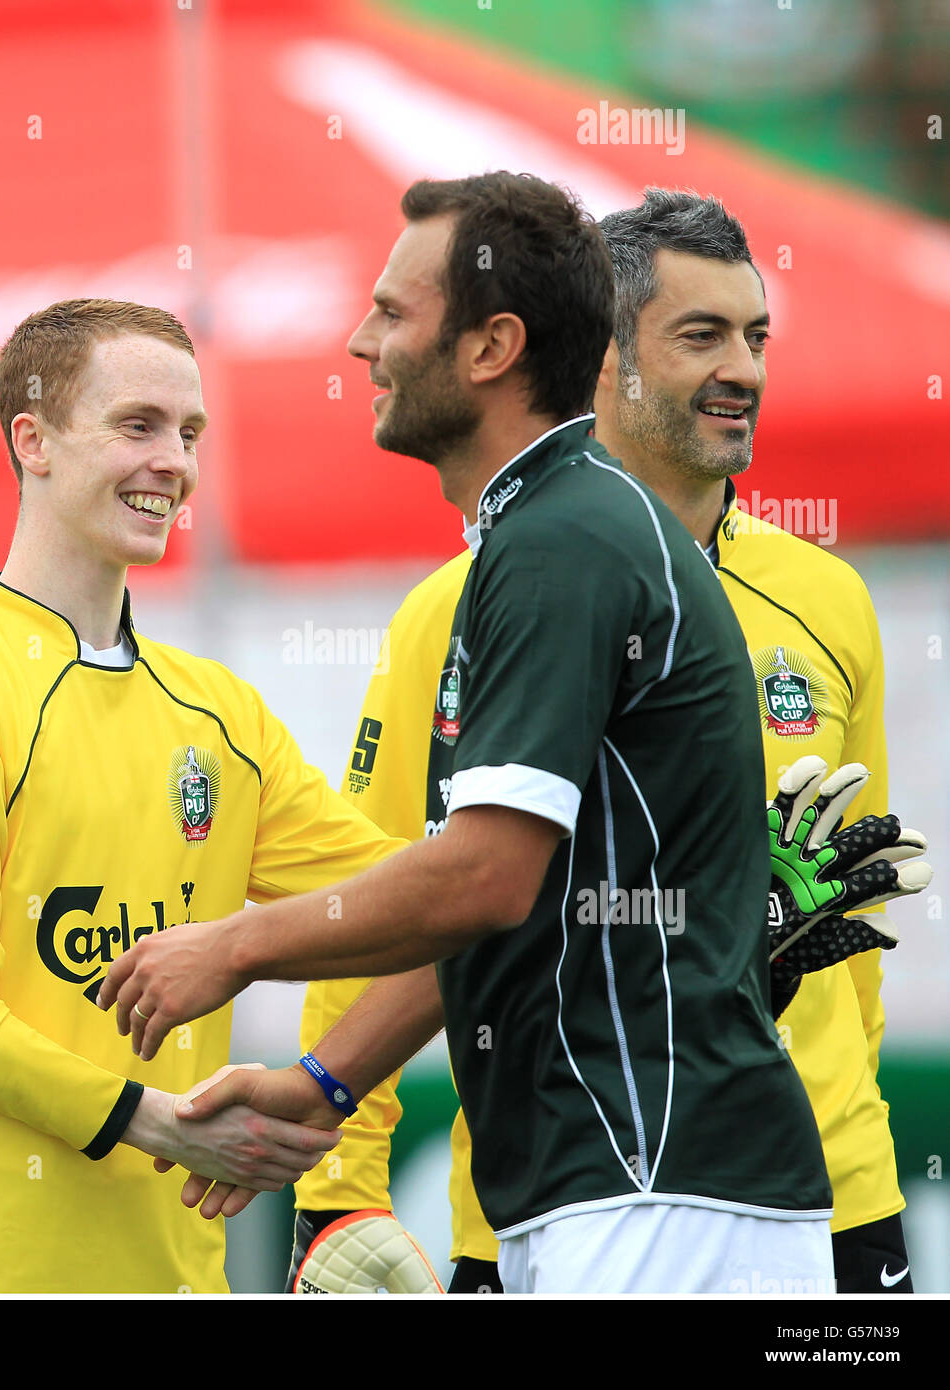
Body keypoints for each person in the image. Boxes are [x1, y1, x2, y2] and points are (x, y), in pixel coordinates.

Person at [98, 173, 848, 1295]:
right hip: (625, 1187)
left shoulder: (561, 543)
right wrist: (325, 1082)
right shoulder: (550, 531)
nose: (360, 341)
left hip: (658, 1189)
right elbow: (521, 898)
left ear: (493, 345)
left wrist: (235, 945)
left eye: (394, 313)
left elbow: (485, 879)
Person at [285, 188, 931, 1294]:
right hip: (552, 1191)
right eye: (700, 336)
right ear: (602, 361)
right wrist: (335, 1188)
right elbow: (392, 890)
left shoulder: (830, 597)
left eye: (756, 335)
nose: (745, 368)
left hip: (818, 1187)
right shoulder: (457, 606)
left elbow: (852, 922)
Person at [0, 299, 408, 1294]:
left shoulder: (218, 712)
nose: (175, 463)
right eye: (138, 425)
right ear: (36, 441)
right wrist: (173, 1128)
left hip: (177, 1277)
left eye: (190, 433)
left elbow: (406, 908)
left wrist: (327, 1084)